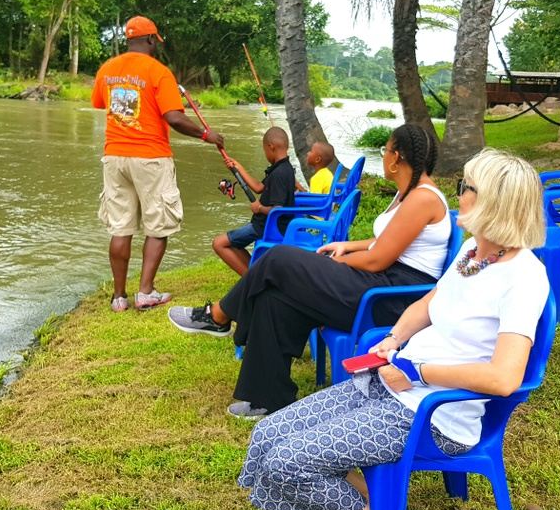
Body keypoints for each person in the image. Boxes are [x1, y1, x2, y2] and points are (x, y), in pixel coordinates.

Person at [236, 148, 549, 510]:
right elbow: (429, 302)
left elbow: (504, 377)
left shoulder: (524, 278)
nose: (458, 195)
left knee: (286, 463)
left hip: (433, 415)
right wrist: (394, 339)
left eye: (466, 188)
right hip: (391, 382)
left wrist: (420, 373)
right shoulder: (475, 252)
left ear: (494, 202)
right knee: (267, 436)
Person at [168, 123, 451, 419]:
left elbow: (376, 260)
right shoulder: (408, 194)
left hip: (389, 298)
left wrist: (337, 263)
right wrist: (348, 245)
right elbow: (389, 240)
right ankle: (269, 398)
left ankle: (218, 316)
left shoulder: (423, 198)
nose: (383, 157)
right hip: (379, 282)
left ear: (397, 157)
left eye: (385, 150)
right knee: (275, 297)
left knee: (278, 259)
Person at [91, 14, 224, 312]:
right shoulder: (159, 72)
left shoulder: (107, 70)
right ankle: (145, 292)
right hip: (150, 157)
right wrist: (207, 134)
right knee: (158, 226)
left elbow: (103, 103)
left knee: (120, 227)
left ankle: (119, 297)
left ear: (129, 40)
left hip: (114, 157)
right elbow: (174, 118)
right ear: (151, 40)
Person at [212, 127, 296, 276]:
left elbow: (277, 209)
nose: (265, 154)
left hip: (265, 226)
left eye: (265, 150)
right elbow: (258, 187)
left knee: (219, 243)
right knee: (234, 244)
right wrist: (237, 166)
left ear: (271, 147)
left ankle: (251, 282)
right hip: (266, 224)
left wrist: (259, 208)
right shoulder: (284, 168)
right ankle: (255, 276)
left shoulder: (279, 174)